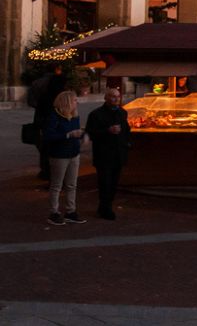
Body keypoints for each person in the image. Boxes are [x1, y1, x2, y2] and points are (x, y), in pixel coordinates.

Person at [85, 88, 130, 220]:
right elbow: (91, 133)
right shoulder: (96, 114)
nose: (116, 99)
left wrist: (127, 143)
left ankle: (106, 205)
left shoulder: (122, 113)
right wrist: (107, 131)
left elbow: (126, 130)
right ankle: (105, 207)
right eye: (112, 96)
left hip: (118, 153)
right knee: (105, 182)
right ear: (106, 98)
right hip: (103, 154)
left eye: (118, 97)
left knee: (114, 182)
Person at [43, 91, 86, 225]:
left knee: (72, 184)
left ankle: (70, 211)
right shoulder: (54, 116)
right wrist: (68, 135)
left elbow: (76, 132)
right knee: (57, 185)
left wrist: (82, 136)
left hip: (73, 153)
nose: (76, 103)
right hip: (59, 155)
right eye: (74, 100)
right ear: (66, 102)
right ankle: (54, 212)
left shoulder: (74, 116)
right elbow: (48, 136)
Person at [32, 65, 67, 181]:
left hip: (43, 124)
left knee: (45, 150)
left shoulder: (42, 90)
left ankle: (46, 171)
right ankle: (54, 175)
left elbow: (34, 104)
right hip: (55, 127)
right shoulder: (62, 98)